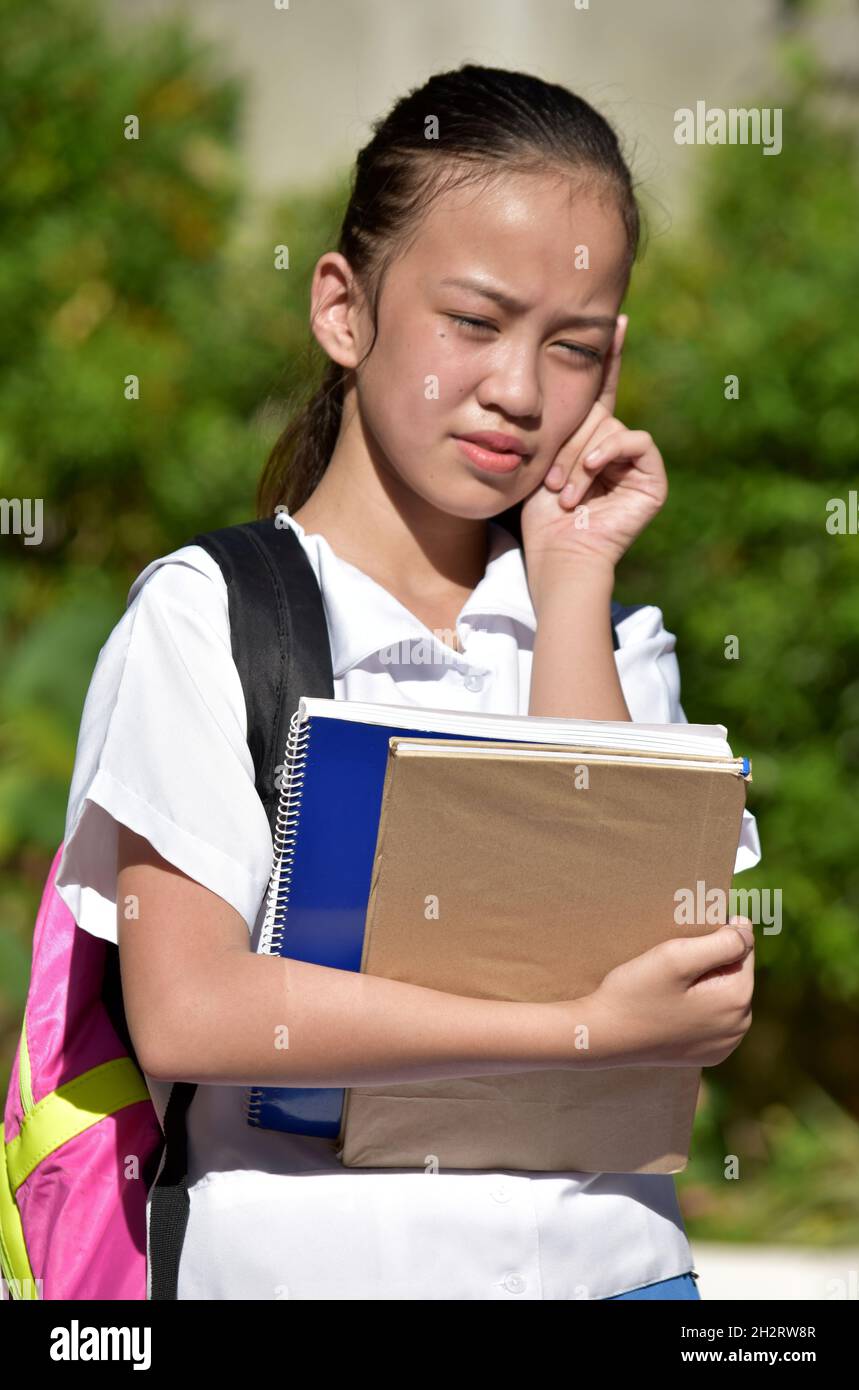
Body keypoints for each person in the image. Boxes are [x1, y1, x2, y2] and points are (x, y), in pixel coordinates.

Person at [56, 63, 759, 1301]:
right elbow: (192, 1012)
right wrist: (573, 1031)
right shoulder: (210, 616)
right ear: (343, 306)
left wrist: (576, 575)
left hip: (622, 1278)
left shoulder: (611, 635)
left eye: (573, 347)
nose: (518, 392)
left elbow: (651, 963)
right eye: (475, 322)